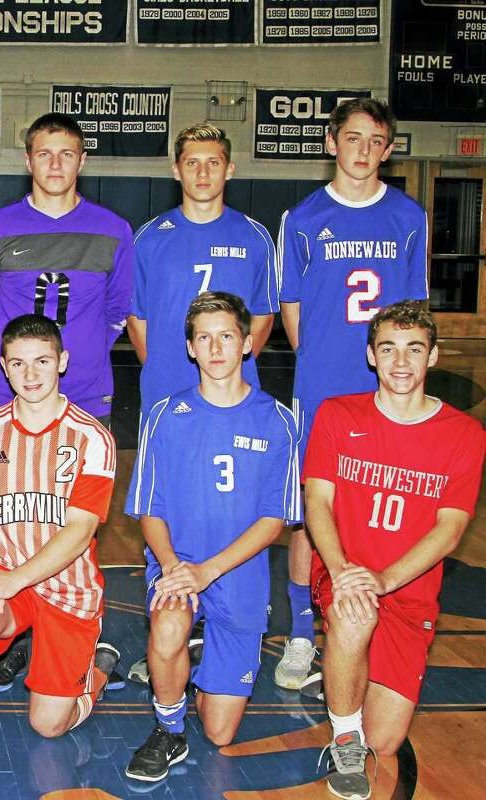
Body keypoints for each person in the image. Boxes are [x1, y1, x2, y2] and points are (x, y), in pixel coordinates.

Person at [275, 98, 429, 691]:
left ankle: (375, 618)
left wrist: (398, 372)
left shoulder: (408, 217)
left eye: (375, 142)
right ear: (332, 142)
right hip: (321, 389)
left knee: (379, 507)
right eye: (353, 138)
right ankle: (297, 633)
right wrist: (319, 361)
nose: (363, 151)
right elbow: (292, 307)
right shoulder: (304, 218)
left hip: (387, 389)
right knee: (305, 516)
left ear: (387, 150)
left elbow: (413, 314)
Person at [306, 301, 484, 799]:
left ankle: (345, 668)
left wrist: (384, 580)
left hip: (408, 592)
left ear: (432, 357)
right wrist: (341, 569)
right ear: (371, 356)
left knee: (384, 740)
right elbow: (317, 500)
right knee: (355, 612)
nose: (400, 362)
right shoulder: (339, 415)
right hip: (343, 572)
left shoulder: (464, 434)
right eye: (388, 349)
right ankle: (343, 736)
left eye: (413, 349)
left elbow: (449, 530)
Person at [0, 313, 119, 776]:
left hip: (66, 590)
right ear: (3, 366)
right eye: (18, 364)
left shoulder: (92, 438)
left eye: (41, 361)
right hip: (4, 576)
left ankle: (94, 673)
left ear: (63, 362)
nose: (30, 375)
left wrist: (12, 579)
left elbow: (79, 532)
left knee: (48, 725)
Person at [124, 292, 300, 783]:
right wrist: (175, 568)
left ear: (247, 344)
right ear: (190, 348)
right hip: (177, 561)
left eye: (227, 336)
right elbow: (150, 511)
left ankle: (199, 672)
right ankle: (168, 728)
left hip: (237, 573)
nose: (216, 347)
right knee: (169, 622)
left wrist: (209, 571)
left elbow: (274, 519)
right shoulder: (164, 415)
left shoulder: (277, 420)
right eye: (205, 337)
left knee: (221, 732)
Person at [0, 112, 134, 423]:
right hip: (9, 394)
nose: (55, 165)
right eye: (44, 154)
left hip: (86, 393)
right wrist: (22, 359)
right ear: (29, 161)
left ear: (81, 161)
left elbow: (117, 310)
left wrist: (87, 350)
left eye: (66, 155)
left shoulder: (114, 230)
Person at [129, 124, 278, 418]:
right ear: (176, 170)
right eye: (192, 163)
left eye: (213, 163)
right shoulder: (148, 238)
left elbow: (263, 316)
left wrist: (230, 367)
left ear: (230, 169)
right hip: (165, 391)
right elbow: (136, 320)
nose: (202, 174)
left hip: (235, 392)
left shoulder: (255, 237)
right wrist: (163, 369)